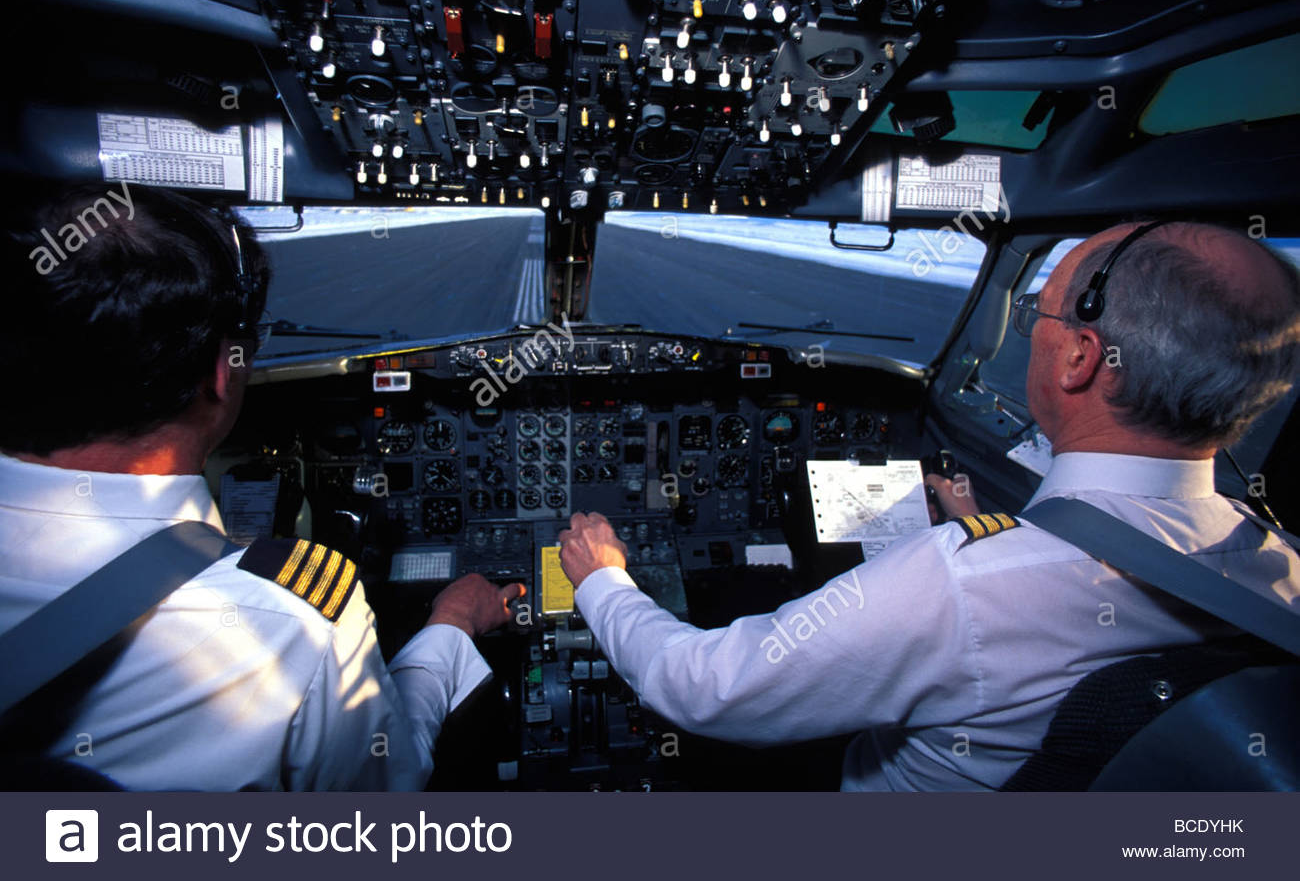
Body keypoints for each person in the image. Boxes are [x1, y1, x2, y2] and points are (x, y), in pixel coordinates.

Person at [559, 220, 1300, 790]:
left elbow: (700, 690)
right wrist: (987, 522)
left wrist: (602, 577)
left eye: (1037, 315)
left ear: (1079, 359)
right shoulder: (1281, 570)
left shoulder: (961, 584)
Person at [0, 183, 523, 790]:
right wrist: (451, 625)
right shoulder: (291, 610)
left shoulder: (292, 604)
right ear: (224, 372)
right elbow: (381, 796)